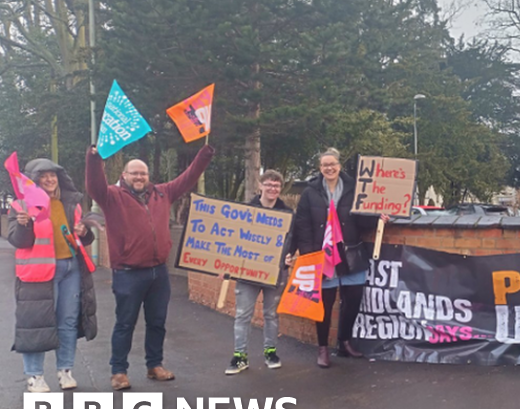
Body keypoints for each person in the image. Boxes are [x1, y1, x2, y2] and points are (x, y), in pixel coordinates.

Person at [86, 143, 214, 390]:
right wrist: (94, 159)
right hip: (127, 273)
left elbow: (189, 178)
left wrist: (204, 154)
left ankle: (154, 365)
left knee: (157, 322)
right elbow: (93, 185)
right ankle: (119, 371)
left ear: (148, 176)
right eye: (134, 173)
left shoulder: (163, 193)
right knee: (125, 323)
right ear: (124, 175)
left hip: (159, 272)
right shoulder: (111, 196)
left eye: (142, 173)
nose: (139, 176)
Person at [7, 159, 98, 392]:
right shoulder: (21, 205)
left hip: (71, 269)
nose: (49, 179)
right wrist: (24, 225)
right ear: (33, 180)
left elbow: (82, 239)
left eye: (53, 175)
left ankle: (65, 371)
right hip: (38, 273)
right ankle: (34, 376)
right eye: (43, 176)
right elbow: (18, 241)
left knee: (67, 322)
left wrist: (84, 232)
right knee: (37, 323)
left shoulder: (71, 203)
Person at [292, 148, 384, 368]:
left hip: (351, 253)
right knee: (323, 305)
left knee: (352, 302)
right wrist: (308, 255)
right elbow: (302, 225)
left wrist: (378, 216)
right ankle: (323, 348)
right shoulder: (310, 192)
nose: (329, 168)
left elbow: (363, 220)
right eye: (325, 165)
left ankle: (344, 342)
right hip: (322, 256)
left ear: (339, 166)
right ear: (320, 168)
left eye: (332, 164)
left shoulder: (354, 188)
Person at [226, 169, 293, 374]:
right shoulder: (246, 211)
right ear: (260, 186)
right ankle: (240, 356)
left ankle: (270, 352)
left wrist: (290, 255)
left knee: (271, 314)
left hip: (275, 272)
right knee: (242, 315)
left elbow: (293, 240)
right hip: (248, 272)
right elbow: (233, 238)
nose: (273, 188)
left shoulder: (288, 214)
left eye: (276, 185)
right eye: (269, 184)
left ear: (280, 189)